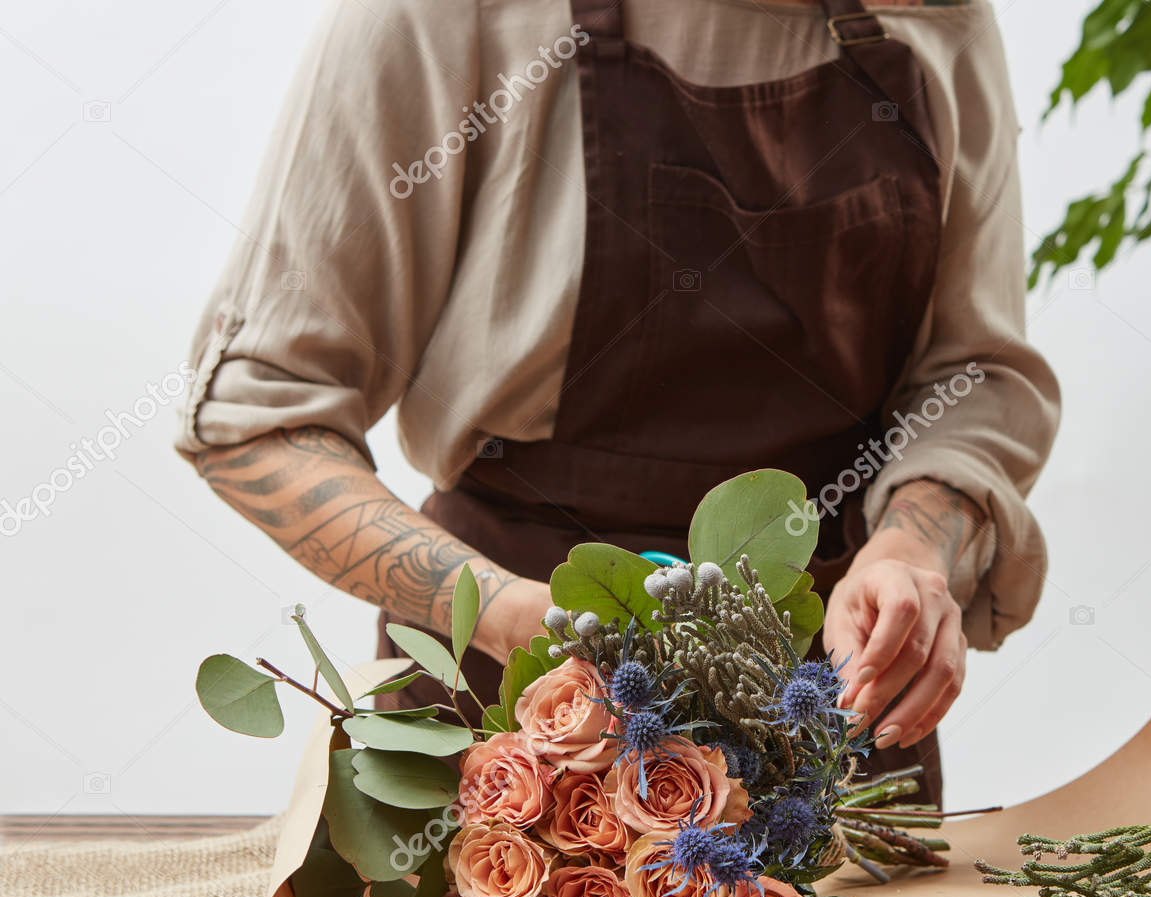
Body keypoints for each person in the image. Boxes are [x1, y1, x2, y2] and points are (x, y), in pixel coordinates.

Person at [177, 0, 1059, 803]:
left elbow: (973, 374)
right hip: (511, 721)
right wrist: (506, 614)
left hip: (831, 718)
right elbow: (263, 421)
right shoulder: (449, 19)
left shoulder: (932, 19)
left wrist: (913, 544)